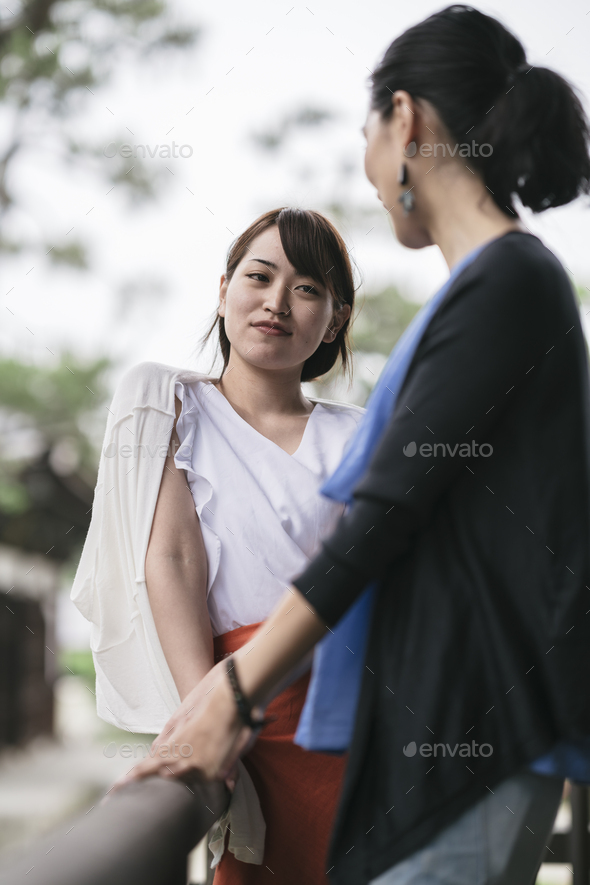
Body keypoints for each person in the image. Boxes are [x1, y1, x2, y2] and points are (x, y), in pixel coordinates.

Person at [117, 6, 590, 885]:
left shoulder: (508, 281)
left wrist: (232, 691)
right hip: (425, 739)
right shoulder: (486, 290)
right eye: (257, 278)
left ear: (403, 120)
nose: (372, 174)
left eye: (369, 134)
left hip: (466, 735)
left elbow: (382, 518)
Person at [71, 207, 366, 884]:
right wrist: (206, 718)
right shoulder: (164, 401)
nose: (276, 302)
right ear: (224, 288)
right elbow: (171, 559)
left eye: (307, 288)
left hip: (363, 710)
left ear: (336, 317)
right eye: (259, 276)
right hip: (246, 709)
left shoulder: (362, 432)